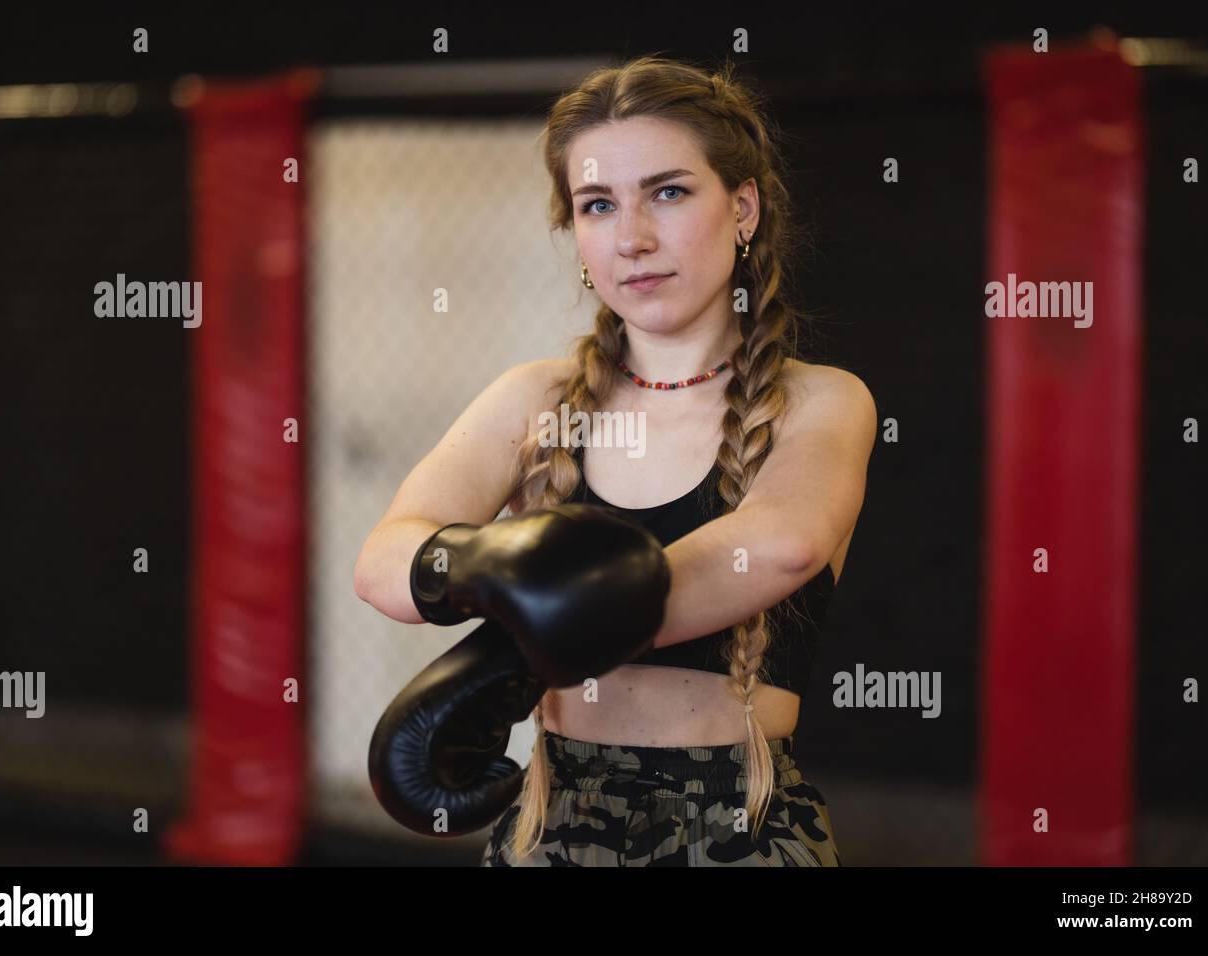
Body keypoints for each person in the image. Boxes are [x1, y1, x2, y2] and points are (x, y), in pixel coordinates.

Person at [354, 54, 876, 866]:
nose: (632, 237)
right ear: (577, 232)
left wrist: (523, 637)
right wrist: (492, 565)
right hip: (553, 822)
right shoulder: (534, 399)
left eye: (668, 192)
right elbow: (385, 559)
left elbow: (783, 542)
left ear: (743, 208)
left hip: (738, 821)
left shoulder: (820, 402)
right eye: (598, 205)